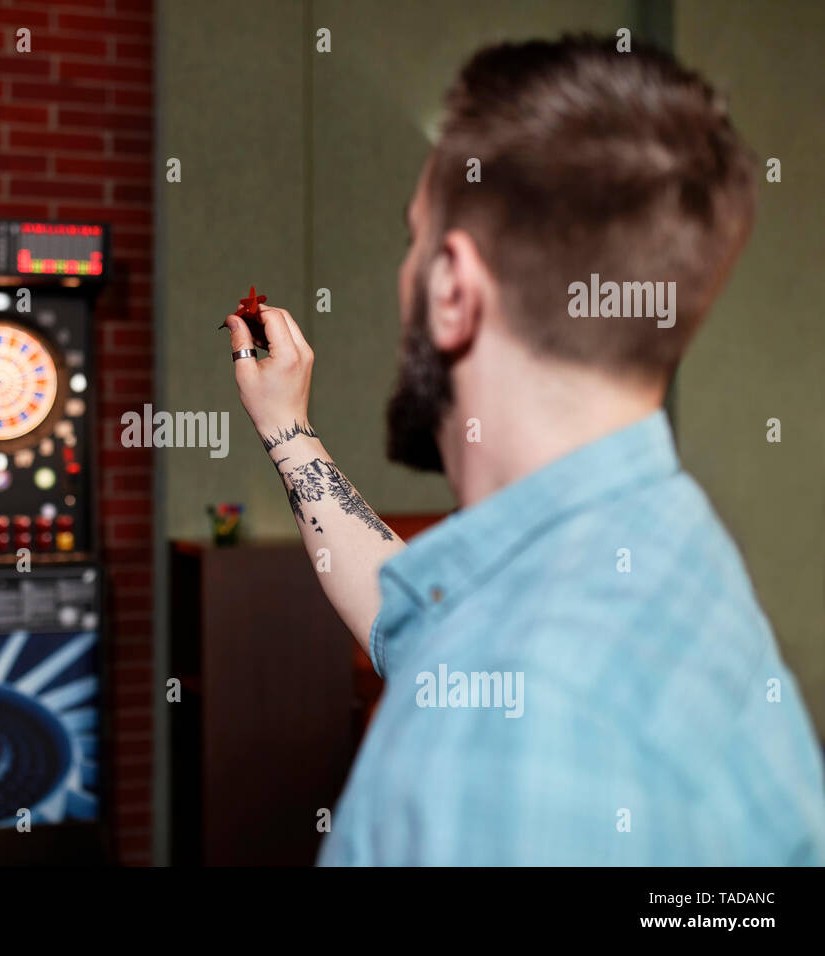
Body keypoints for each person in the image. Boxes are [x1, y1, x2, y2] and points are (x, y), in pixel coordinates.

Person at [223, 35, 825, 865]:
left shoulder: (506, 740)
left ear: (452, 290)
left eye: (413, 241)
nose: (405, 274)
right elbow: (420, 631)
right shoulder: (648, 542)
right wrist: (287, 432)